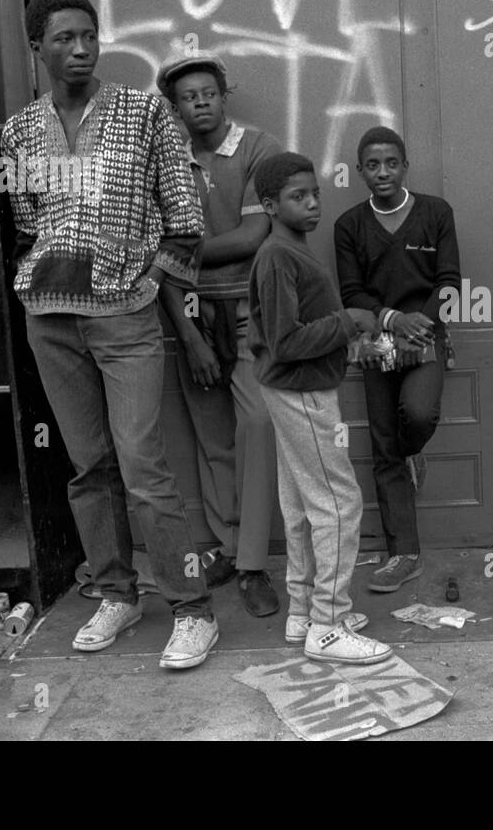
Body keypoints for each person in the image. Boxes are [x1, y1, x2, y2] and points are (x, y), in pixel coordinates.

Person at [1, 0, 217, 669]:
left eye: (90, 35)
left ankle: (192, 608)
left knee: (143, 465)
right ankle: (117, 591)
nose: (82, 47)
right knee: (89, 466)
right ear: (37, 47)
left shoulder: (144, 110)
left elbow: (186, 215)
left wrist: (147, 284)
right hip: (51, 318)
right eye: (64, 37)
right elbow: (25, 224)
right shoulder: (19, 132)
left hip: (125, 318)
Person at [249, 151, 391, 664]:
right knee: (338, 502)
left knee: (301, 503)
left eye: (314, 193)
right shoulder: (277, 256)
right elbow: (286, 341)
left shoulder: (291, 251)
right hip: (302, 392)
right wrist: (352, 320)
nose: (312, 204)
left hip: (296, 387)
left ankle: (303, 611)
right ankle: (328, 625)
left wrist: (350, 340)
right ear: (269, 204)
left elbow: (302, 330)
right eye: (297, 197)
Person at [155, 49, 283, 616]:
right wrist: (187, 326)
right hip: (188, 313)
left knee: (257, 425)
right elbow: (155, 252)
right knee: (212, 437)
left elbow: (255, 234)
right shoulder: (165, 157)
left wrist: (178, 253)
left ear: (223, 95)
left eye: (208, 92)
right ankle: (227, 549)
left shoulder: (257, 148)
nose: (199, 102)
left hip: (248, 308)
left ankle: (254, 563)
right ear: (175, 106)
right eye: (187, 96)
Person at [333, 127, 461, 593]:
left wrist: (420, 326)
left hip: (425, 334)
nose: (382, 172)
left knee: (419, 413)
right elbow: (352, 292)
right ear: (361, 170)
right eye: (372, 164)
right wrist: (391, 320)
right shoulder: (349, 226)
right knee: (384, 446)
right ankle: (403, 555)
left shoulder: (434, 213)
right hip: (377, 341)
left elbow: (449, 282)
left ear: (405, 165)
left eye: (391, 163)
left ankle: (415, 453)